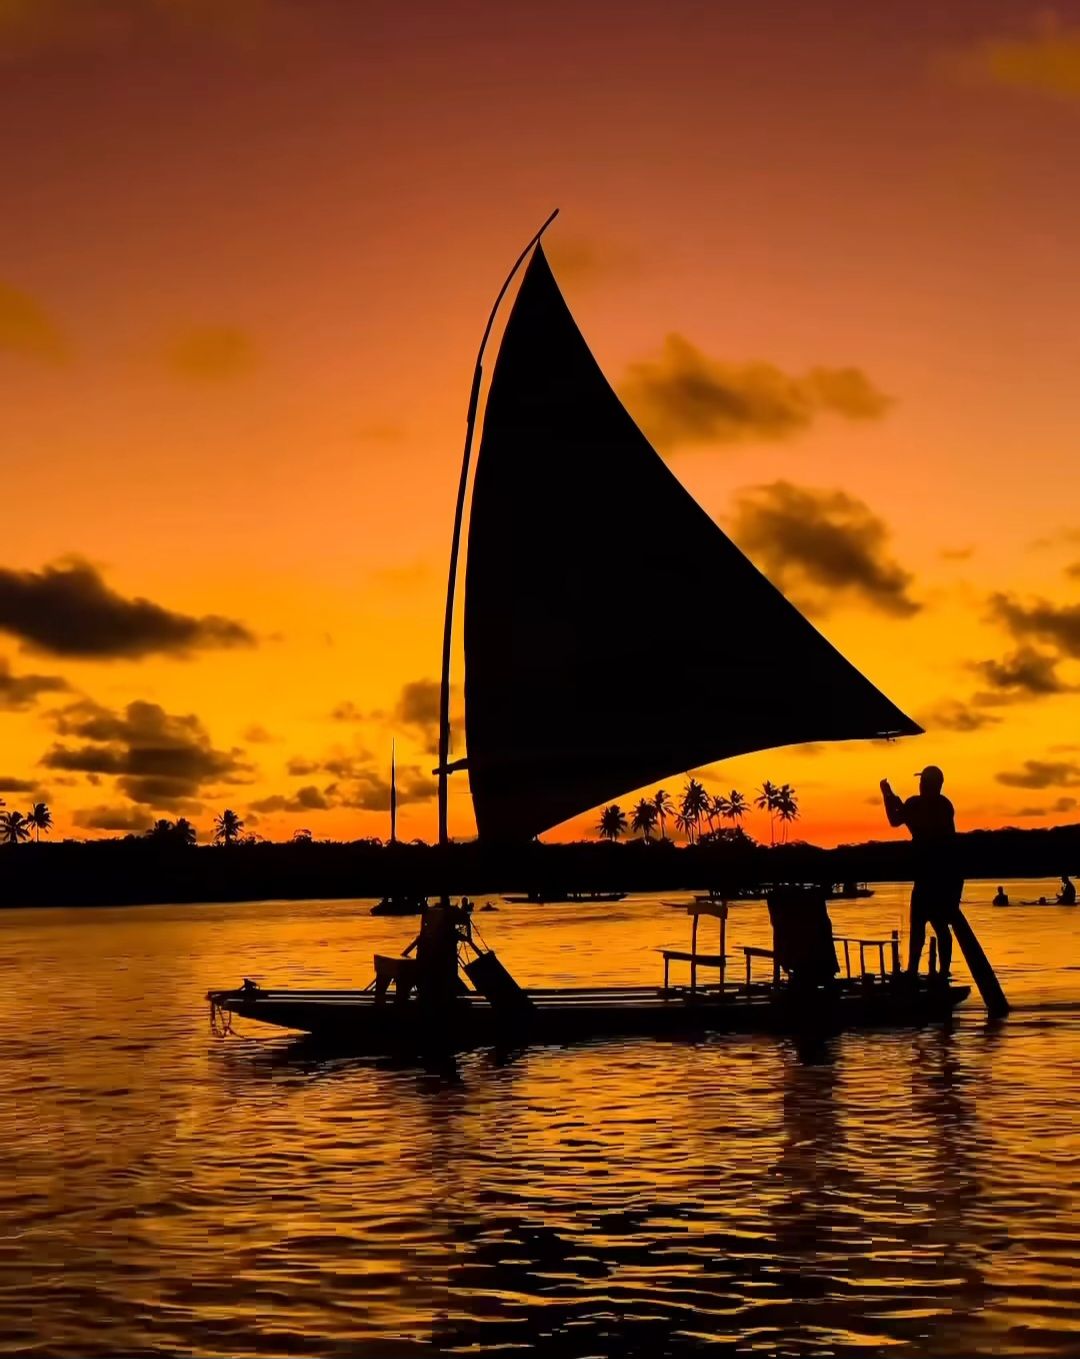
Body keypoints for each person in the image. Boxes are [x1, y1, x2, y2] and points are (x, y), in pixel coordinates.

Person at [880, 766, 962, 977]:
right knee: (936, 928)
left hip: (932, 879)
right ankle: (936, 972)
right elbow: (902, 818)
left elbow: (897, 820)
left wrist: (888, 796)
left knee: (928, 929)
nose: (920, 785)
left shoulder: (927, 806)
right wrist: (892, 798)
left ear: (926, 784)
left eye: (923, 782)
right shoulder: (941, 806)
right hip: (940, 878)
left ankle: (924, 971)